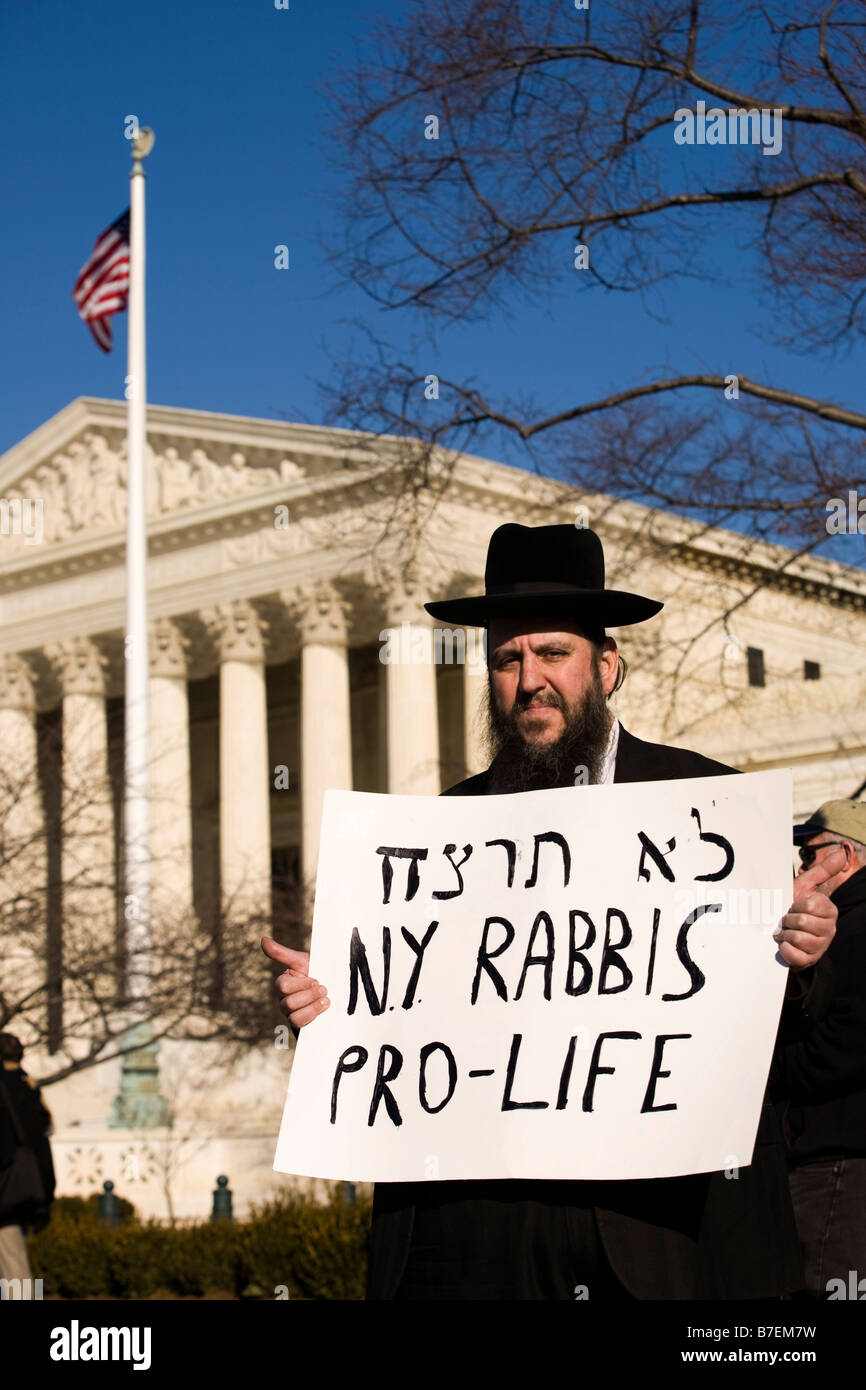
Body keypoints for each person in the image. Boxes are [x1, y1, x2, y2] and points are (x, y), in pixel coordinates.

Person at [263, 522, 840, 1300]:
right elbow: (400, 1032)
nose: (529, 678)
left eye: (553, 653)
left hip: (657, 1233)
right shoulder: (428, 839)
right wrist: (325, 1008)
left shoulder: (708, 808)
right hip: (475, 1236)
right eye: (507, 658)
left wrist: (801, 957)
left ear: (606, 665)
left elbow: (797, 1037)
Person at [770, 799, 866, 1299]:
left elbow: (847, 1044)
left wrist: (770, 1070)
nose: (803, 869)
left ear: (846, 857)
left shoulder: (853, 926)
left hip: (836, 1159)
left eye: (809, 856)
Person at [0, 1032, 55, 1284]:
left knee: (14, 1269)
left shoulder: (5, 1086)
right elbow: (43, 1139)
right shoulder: (30, 1086)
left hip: (5, 1189)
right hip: (24, 1188)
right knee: (15, 1262)